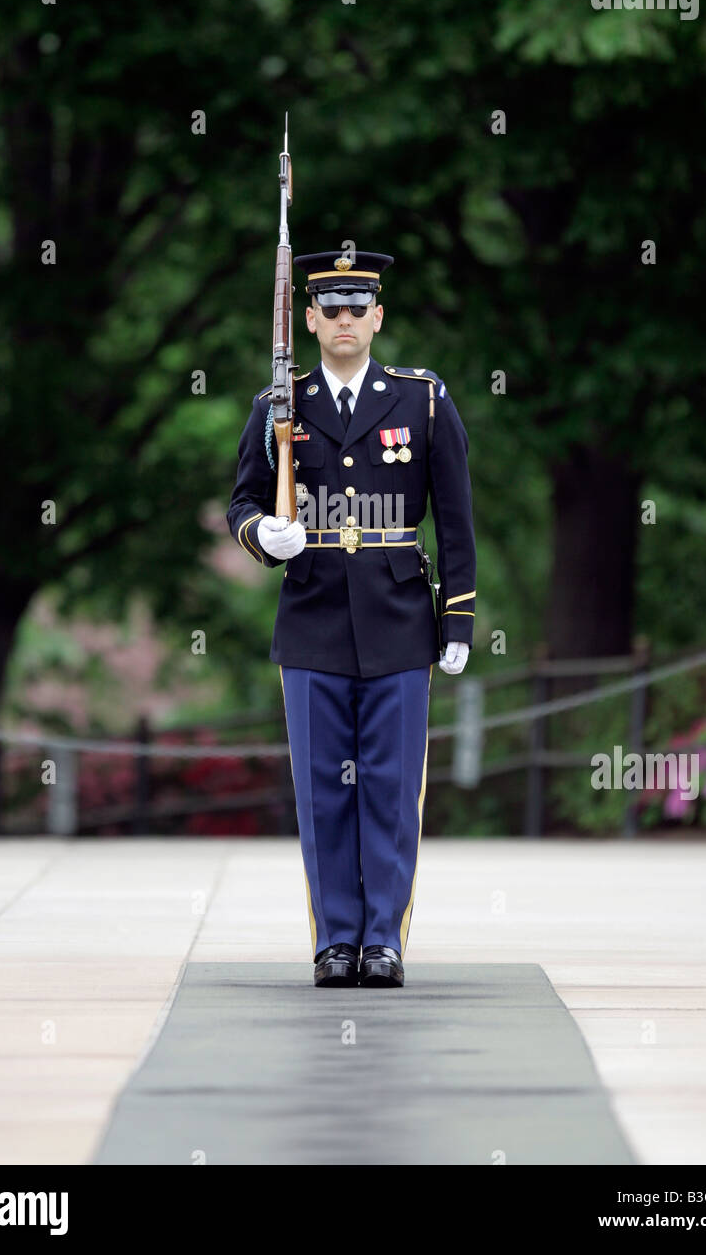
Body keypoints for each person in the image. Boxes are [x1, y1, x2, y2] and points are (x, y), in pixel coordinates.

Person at [226, 250, 476, 987]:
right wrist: (261, 536)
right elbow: (241, 501)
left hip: (399, 615)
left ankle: (384, 939)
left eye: (356, 307)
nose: (343, 319)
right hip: (311, 615)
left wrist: (457, 621)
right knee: (323, 788)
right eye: (329, 308)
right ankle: (336, 938)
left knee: (392, 787)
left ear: (377, 317)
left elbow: (456, 523)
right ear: (307, 319)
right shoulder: (279, 405)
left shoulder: (423, 401)